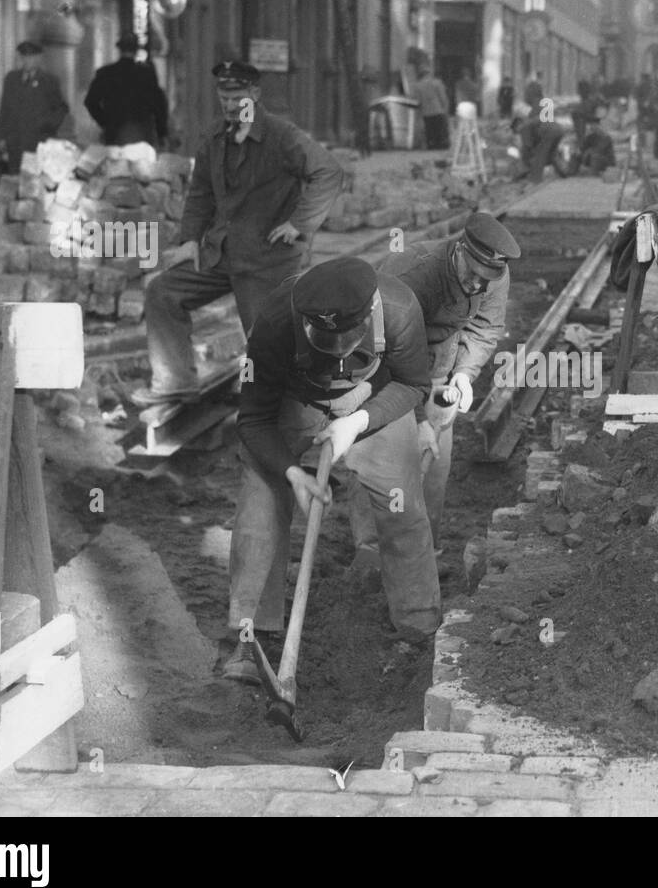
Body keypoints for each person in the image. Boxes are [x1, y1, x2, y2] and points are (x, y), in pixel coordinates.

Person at [222, 257, 439, 681]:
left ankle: (419, 630)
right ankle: (252, 640)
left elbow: (414, 384)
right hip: (294, 401)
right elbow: (253, 419)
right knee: (258, 507)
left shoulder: (399, 308)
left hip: (373, 402)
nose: (336, 351)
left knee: (403, 508)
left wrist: (356, 423)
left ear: (368, 316)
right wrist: (292, 472)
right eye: (324, 340)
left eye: (346, 341)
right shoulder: (272, 321)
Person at [133, 60, 344, 408]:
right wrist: (190, 241)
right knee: (163, 292)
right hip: (222, 253)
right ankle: (175, 382)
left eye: (238, 96)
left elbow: (328, 172)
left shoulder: (282, 135)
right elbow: (200, 193)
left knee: (266, 342)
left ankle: (289, 410)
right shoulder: (215, 138)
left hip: (268, 261)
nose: (230, 104)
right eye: (224, 96)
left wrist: (300, 224)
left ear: (255, 95)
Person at [341, 213, 523, 582]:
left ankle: (421, 551)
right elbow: (385, 354)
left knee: (432, 465)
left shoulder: (493, 276)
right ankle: (372, 551)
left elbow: (486, 329)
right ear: (458, 252)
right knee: (377, 458)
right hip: (381, 367)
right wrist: (419, 421)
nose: (476, 286)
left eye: (484, 281)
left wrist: (464, 375)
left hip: (438, 365)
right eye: (470, 275)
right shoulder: (410, 274)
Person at [83, 33, 170, 148]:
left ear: (120, 49)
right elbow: (159, 105)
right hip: (142, 133)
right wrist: (161, 133)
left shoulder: (106, 73)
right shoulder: (146, 73)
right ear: (136, 50)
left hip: (114, 133)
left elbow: (90, 102)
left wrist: (105, 122)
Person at [0, 40, 69, 173]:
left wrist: (47, 125)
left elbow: (61, 109)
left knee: (33, 182)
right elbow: (4, 109)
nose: (26, 61)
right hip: (15, 141)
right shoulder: (11, 79)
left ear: (39, 58)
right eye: (23, 57)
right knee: (15, 178)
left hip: (38, 141)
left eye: (31, 57)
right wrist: (1, 136)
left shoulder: (49, 81)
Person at [515, 112, 565, 183]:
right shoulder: (531, 122)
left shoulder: (524, 127)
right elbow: (534, 140)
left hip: (548, 131)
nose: (518, 133)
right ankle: (562, 172)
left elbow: (528, 145)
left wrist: (526, 160)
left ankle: (535, 179)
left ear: (518, 125)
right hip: (560, 130)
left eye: (516, 131)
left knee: (540, 155)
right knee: (552, 153)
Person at [416, 68, 450, 149]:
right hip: (438, 110)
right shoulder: (437, 83)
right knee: (440, 129)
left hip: (426, 112)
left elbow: (418, 100)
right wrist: (445, 108)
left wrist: (419, 113)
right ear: (429, 74)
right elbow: (442, 97)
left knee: (429, 130)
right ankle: (441, 145)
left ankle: (431, 145)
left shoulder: (418, 85)